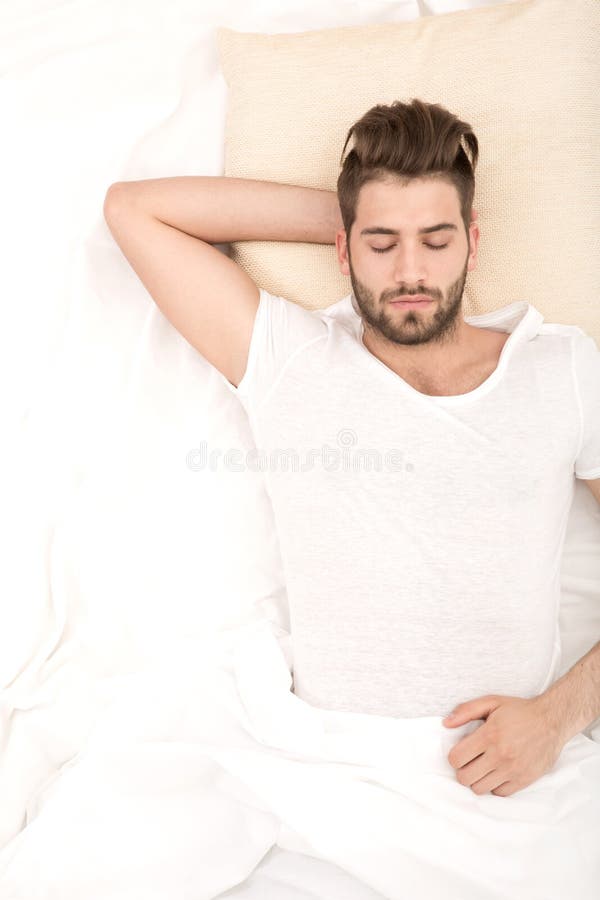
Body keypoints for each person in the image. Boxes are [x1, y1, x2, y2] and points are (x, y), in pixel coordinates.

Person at [103, 98, 600, 799]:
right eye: (380, 244)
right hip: (327, 779)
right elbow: (133, 211)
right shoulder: (289, 358)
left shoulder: (564, 371)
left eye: (436, 240)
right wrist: (351, 214)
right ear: (343, 248)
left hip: (517, 782)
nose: (410, 273)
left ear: (474, 243)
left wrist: (557, 718)